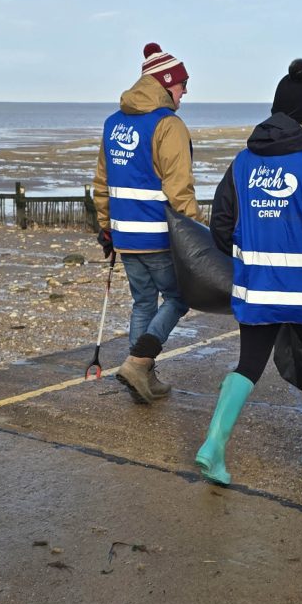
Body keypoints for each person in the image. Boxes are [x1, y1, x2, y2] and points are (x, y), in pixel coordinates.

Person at [195, 59, 302, 486]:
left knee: (249, 364)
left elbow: (220, 225)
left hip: (257, 290)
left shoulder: (241, 164)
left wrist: (248, 256)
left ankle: (212, 448)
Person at [93, 43, 198, 403]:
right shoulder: (168, 125)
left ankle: (143, 381)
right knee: (179, 298)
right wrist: (197, 236)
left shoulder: (113, 123)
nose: (186, 91)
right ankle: (138, 364)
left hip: (125, 235)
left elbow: (102, 181)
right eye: (183, 84)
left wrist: (105, 227)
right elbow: (179, 189)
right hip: (158, 235)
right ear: (166, 83)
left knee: (143, 303)